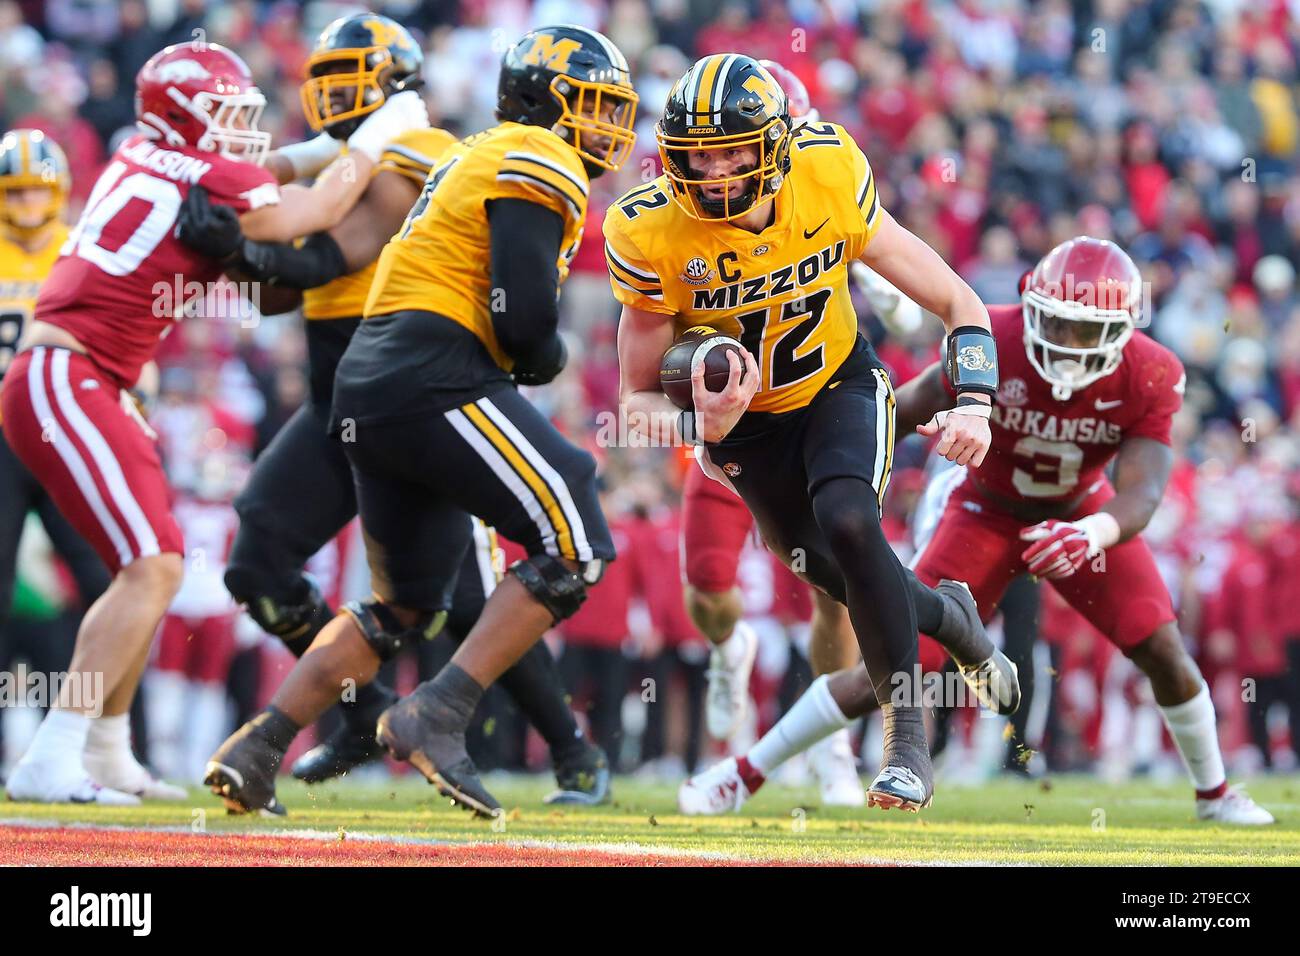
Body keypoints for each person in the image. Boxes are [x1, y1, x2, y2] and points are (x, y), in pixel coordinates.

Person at [679, 237, 1273, 825]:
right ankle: (746, 771)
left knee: (1160, 643)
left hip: (1079, 515)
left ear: (1122, 331)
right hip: (983, 510)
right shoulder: (996, 338)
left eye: (1083, 330)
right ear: (1032, 309)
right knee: (897, 656)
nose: (1065, 343)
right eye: (1055, 324)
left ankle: (1214, 793)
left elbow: (1143, 492)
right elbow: (897, 413)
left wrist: (1093, 533)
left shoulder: (1151, 371)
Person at [202, 26, 639, 818]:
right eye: (598, 105)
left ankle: (259, 746)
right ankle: (439, 714)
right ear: (547, 99)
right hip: (430, 369)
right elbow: (522, 317)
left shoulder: (467, 150)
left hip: (366, 380)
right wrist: (547, 355)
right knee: (576, 537)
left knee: (406, 604)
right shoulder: (538, 155)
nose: (609, 125)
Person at [0, 40, 425, 805]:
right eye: (225, 115)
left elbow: (261, 179)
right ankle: (53, 752)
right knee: (153, 567)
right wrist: (375, 136)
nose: (239, 130)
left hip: (76, 375)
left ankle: (105, 748)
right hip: (72, 374)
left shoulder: (144, 155)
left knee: (151, 565)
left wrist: (330, 146)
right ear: (187, 116)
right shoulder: (207, 172)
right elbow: (317, 210)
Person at [609, 54, 1014, 812]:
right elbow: (635, 399)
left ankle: (905, 744)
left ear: (775, 143)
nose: (715, 170)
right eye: (698, 153)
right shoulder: (650, 229)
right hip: (746, 437)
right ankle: (953, 617)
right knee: (837, 575)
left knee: (853, 522)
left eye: (732, 149)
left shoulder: (825, 175)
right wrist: (701, 419)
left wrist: (975, 402)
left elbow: (959, 300)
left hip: (837, 386)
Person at [0, 130, 111, 654]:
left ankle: (115, 731)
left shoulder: (81, 252)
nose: (28, 203)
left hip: (63, 427)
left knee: (106, 579)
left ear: (60, 190)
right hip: (3, 436)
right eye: (16, 191)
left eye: (37, 191)